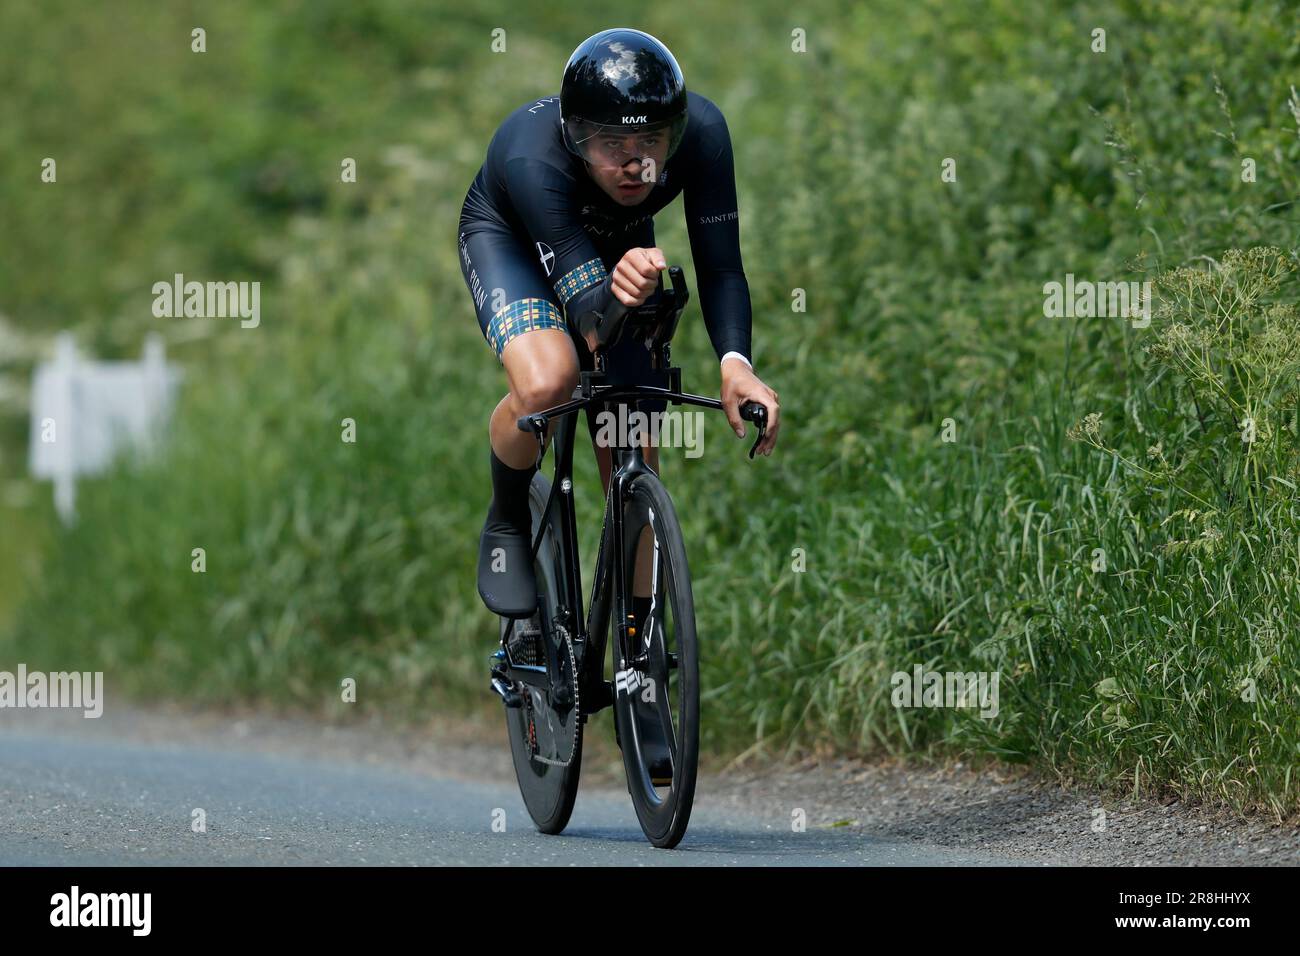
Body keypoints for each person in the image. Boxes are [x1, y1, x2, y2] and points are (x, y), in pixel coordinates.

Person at [458, 27, 781, 620]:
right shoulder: (533, 153)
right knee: (550, 380)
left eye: (652, 142)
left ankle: (641, 642)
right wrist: (615, 292)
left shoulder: (703, 137)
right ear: (577, 137)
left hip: (615, 244)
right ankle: (507, 519)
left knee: (628, 420)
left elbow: (722, 268)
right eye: (612, 144)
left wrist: (737, 365)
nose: (636, 164)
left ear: (675, 133)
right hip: (517, 241)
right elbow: (589, 319)